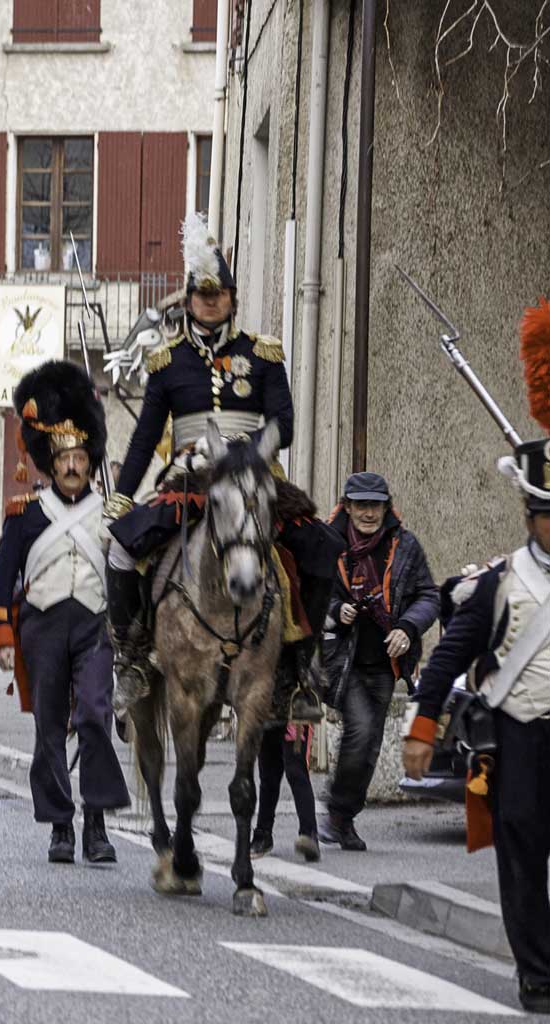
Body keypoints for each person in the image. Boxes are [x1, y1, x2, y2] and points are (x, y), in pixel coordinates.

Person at [104, 212, 342, 726]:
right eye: (202, 294)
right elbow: (147, 437)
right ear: (190, 299)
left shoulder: (263, 356)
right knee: (123, 546)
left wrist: (244, 451)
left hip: (253, 475)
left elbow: (285, 422)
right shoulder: (167, 363)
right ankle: (132, 657)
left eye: (219, 294)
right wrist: (122, 497)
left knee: (320, 545)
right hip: (189, 477)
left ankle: (301, 670)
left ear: (232, 298)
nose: (211, 302)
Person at [403, 300, 550, 1016]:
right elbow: (445, 659)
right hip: (519, 734)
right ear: (529, 516)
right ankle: (536, 973)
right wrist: (422, 726)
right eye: (547, 515)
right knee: (521, 853)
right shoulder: (496, 583)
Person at [0, 361, 129, 865]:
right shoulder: (25, 513)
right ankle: (60, 826)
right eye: (64, 457)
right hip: (43, 626)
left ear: (91, 463)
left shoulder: (111, 515)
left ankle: (96, 820)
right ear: (53, 461)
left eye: (80, 458)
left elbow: (126, 575)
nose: (72, 465)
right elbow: (5, 576)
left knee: (94, 714)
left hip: (94, 625)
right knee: (49, 726)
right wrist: (5, 637)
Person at [320, 472, 439, 851]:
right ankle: (337, 810)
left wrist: (408, 627)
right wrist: (337, 611)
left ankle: (342, 818)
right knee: (359, 731)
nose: (368, 513)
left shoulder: (404, 545)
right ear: (348, 506)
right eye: (361, 505)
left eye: (375, 505)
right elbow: (310, 592)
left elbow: (429, 596)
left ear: (386, 507)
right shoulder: (328, 543)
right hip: (344, 662)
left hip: (387, 662)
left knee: (369, 743)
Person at [251, 723, 320, 862]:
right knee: (268, 775)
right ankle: (263, 834)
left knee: (296, 771)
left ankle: (309, 835)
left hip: (296, 710)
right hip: (267, 714)